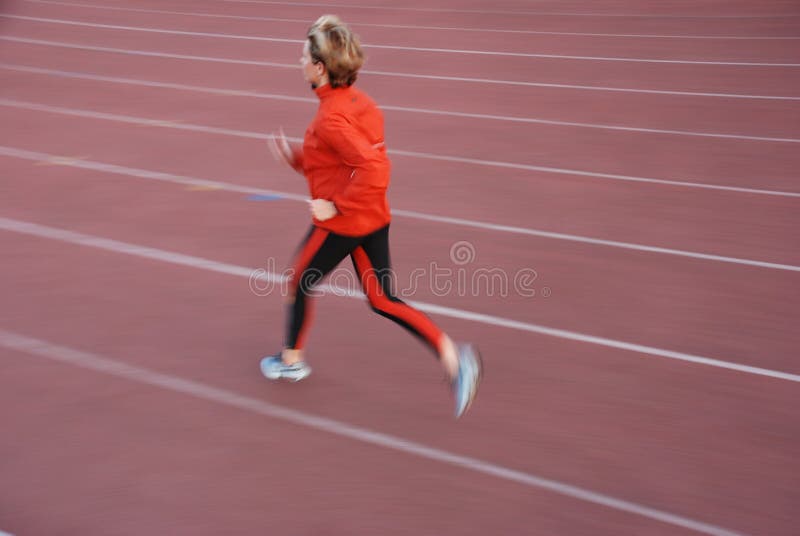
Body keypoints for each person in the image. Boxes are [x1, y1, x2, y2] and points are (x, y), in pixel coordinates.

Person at [261, 15, 481, 418]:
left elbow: (375, 169)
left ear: (321, 68)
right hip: (374, 218)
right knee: (381, 299)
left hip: (344, 224)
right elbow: (345, 161)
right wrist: (297, 157)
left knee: (296, 281)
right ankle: (453, 356)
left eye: (304, 55)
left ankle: (291, 362)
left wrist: (336, 206)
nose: (299, 61)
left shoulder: (330, 118)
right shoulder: (361, 102)